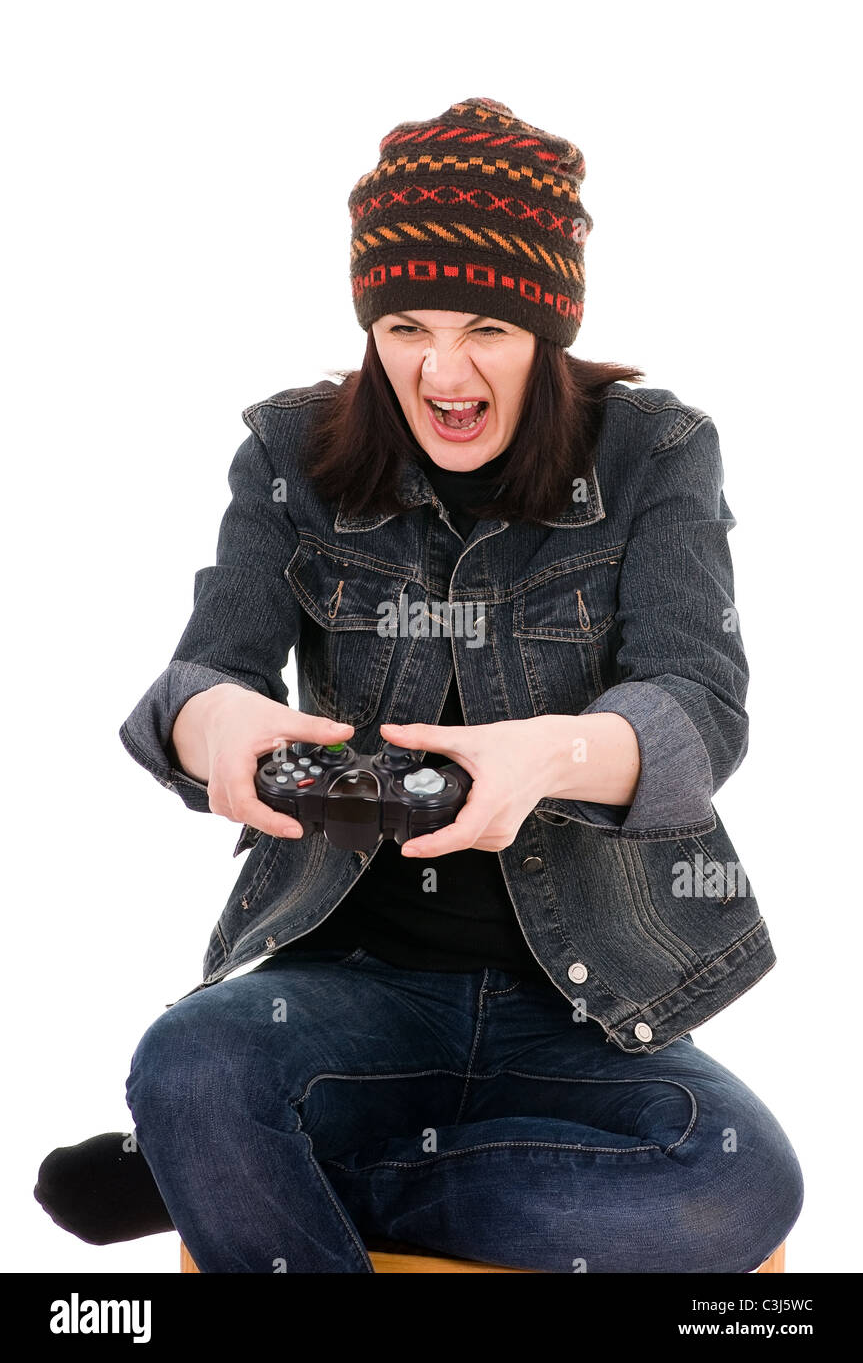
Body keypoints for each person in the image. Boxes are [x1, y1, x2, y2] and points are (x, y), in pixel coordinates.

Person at [40, 97, 804, 1273]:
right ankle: (228, 1135)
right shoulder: (289, 452)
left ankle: (249, 1163)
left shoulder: (655, 451)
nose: (441, 370)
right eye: (404, 325)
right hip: (348, 992)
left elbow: (702, 707)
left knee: (728, 1187)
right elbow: (196, 681)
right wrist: (214, 722)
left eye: (486, 328)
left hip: (586, 1003)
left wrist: (544, 754)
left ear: (546, 328)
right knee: (190, 1061)